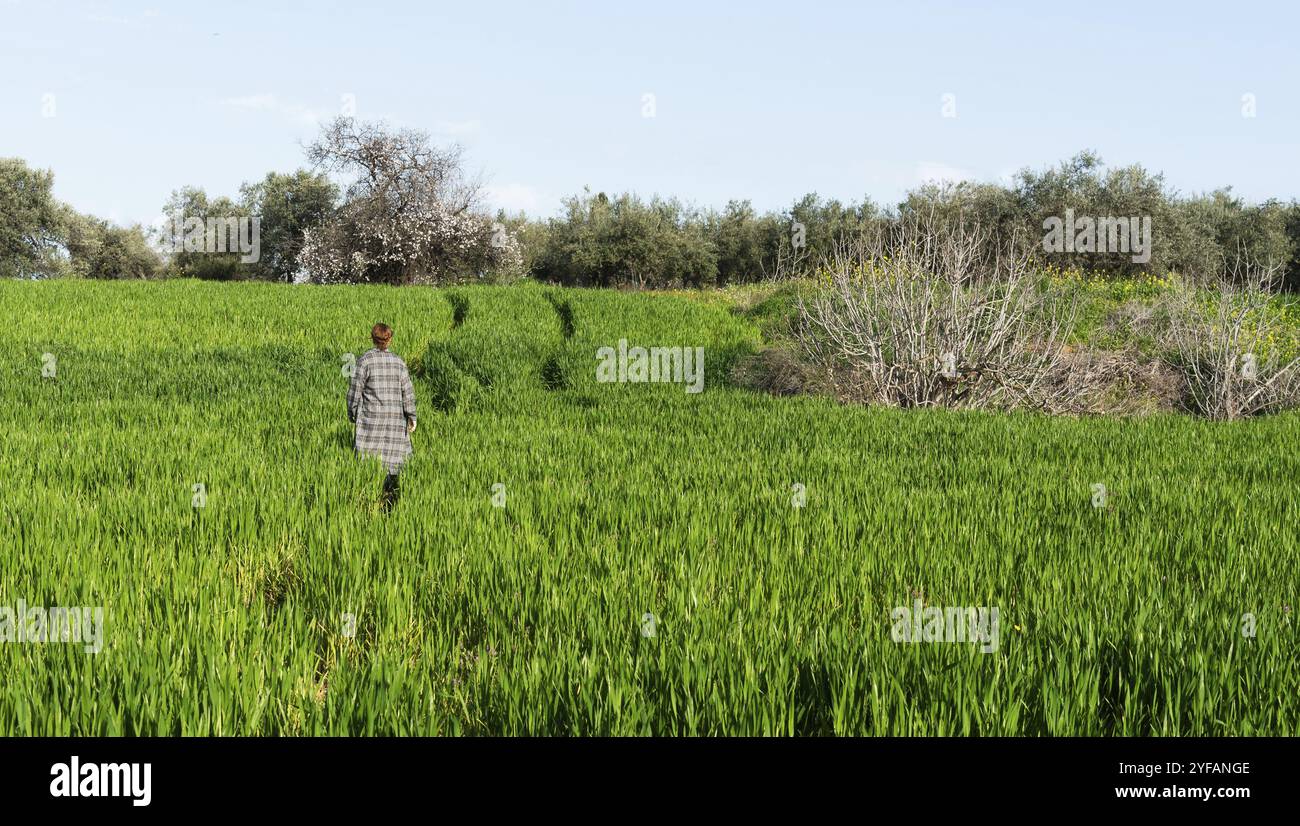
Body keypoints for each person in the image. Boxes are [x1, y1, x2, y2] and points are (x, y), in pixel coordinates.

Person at [346, 323, 416, 511]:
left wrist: (353, 414)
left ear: (372, 338)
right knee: (394, 458)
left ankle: (373, 498)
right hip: (394, 420)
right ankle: (392, 495)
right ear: (389, 339)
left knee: (371, 459)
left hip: (371, 421)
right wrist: (411, 416)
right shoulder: (399, 362)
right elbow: (407, 391)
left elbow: (354, 391)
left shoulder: (364, 361)